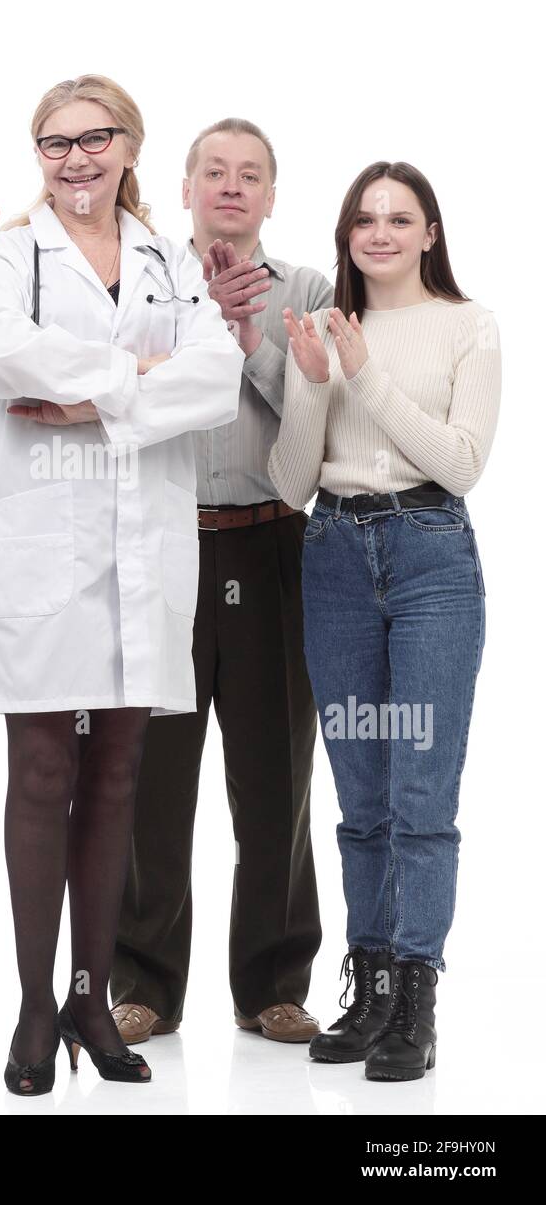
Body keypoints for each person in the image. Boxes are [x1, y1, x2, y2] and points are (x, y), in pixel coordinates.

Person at [0, 74, 243, 1094]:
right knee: (42, 773)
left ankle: (95, 994)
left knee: (119, 775)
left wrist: (91, 403)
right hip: (45, 544)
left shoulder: (174, 259)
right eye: (54, 143)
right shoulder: (9, 255)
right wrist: (142, 378)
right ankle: (37, 1006)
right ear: (37, 154)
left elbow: (216, 377)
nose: (75, 159)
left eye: (94, 139)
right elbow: (2, 358)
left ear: (130, 144)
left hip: (146, 546)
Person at [269, 161, 501, 1081]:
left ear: (428, 233)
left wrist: (362, 380)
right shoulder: (325, 328)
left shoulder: (467, 327)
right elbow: (291, 482)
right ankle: (365, 987)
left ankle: (415, 994)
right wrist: (314, 381)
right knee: (359, 798)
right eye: (364, 218)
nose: (379, 233)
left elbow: (459, 462)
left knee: (420, 798)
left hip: (429, 559)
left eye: (399, 218)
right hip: (332, 559)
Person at [111, 118, 332, 1046]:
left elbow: (317, 425)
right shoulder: (141, 277)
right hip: (163, 541)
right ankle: (145, 987)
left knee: (274, 774)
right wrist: (195, 329)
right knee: (151, 777)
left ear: (271, 197)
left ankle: (272, 985)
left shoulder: (311, 291)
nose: (231, 187)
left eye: (250, 175)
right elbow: (119, 399)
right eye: (214, 172)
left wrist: (247, 336)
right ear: (188, 185)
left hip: (270, 542)